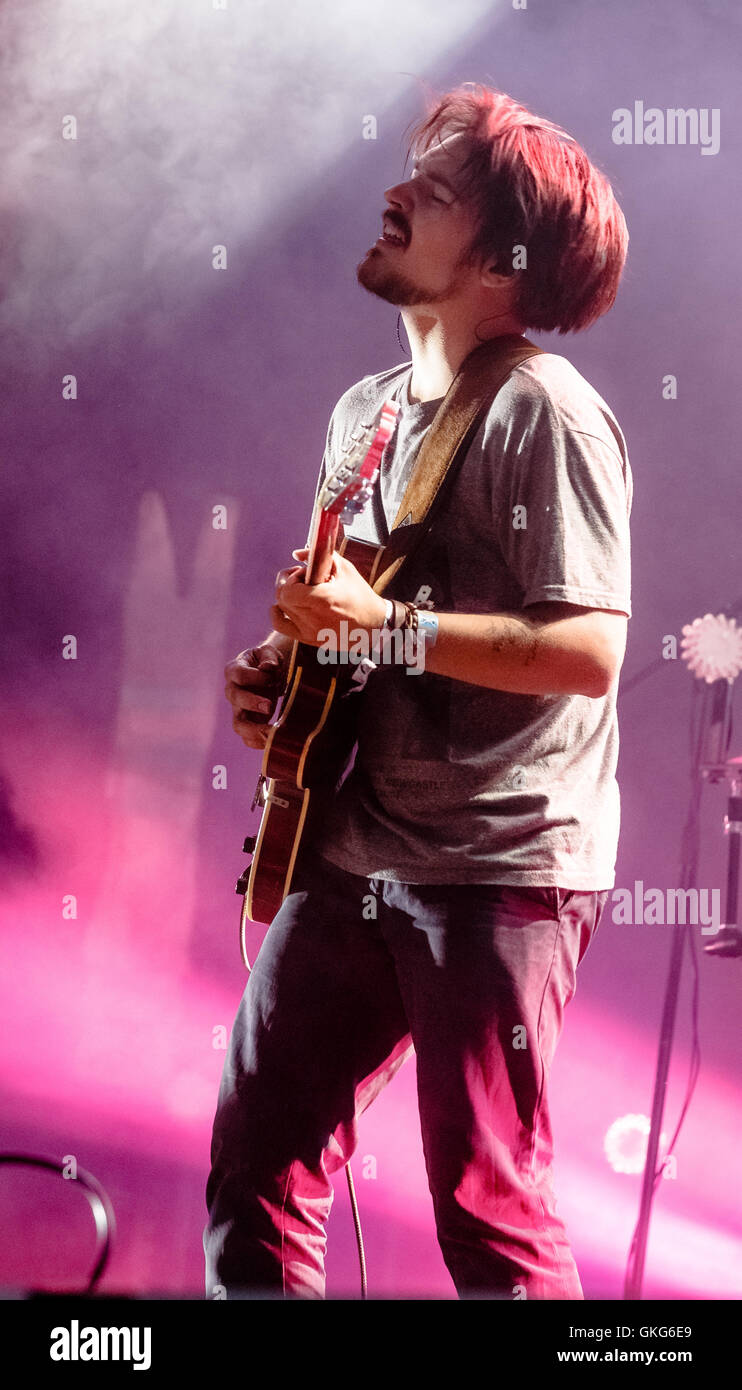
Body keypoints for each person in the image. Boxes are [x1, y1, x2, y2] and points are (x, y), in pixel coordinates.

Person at [204, 84, 632, 1300]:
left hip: (497, 868)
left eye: (431, 192)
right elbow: (356, 624)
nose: (391, 196)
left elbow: (587, 648)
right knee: (258, 1161)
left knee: (486, 1211)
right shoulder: (365, 415)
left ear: (502, 258)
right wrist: (290, 683)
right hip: (355, 845)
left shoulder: (543, 409)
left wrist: (382, 627)